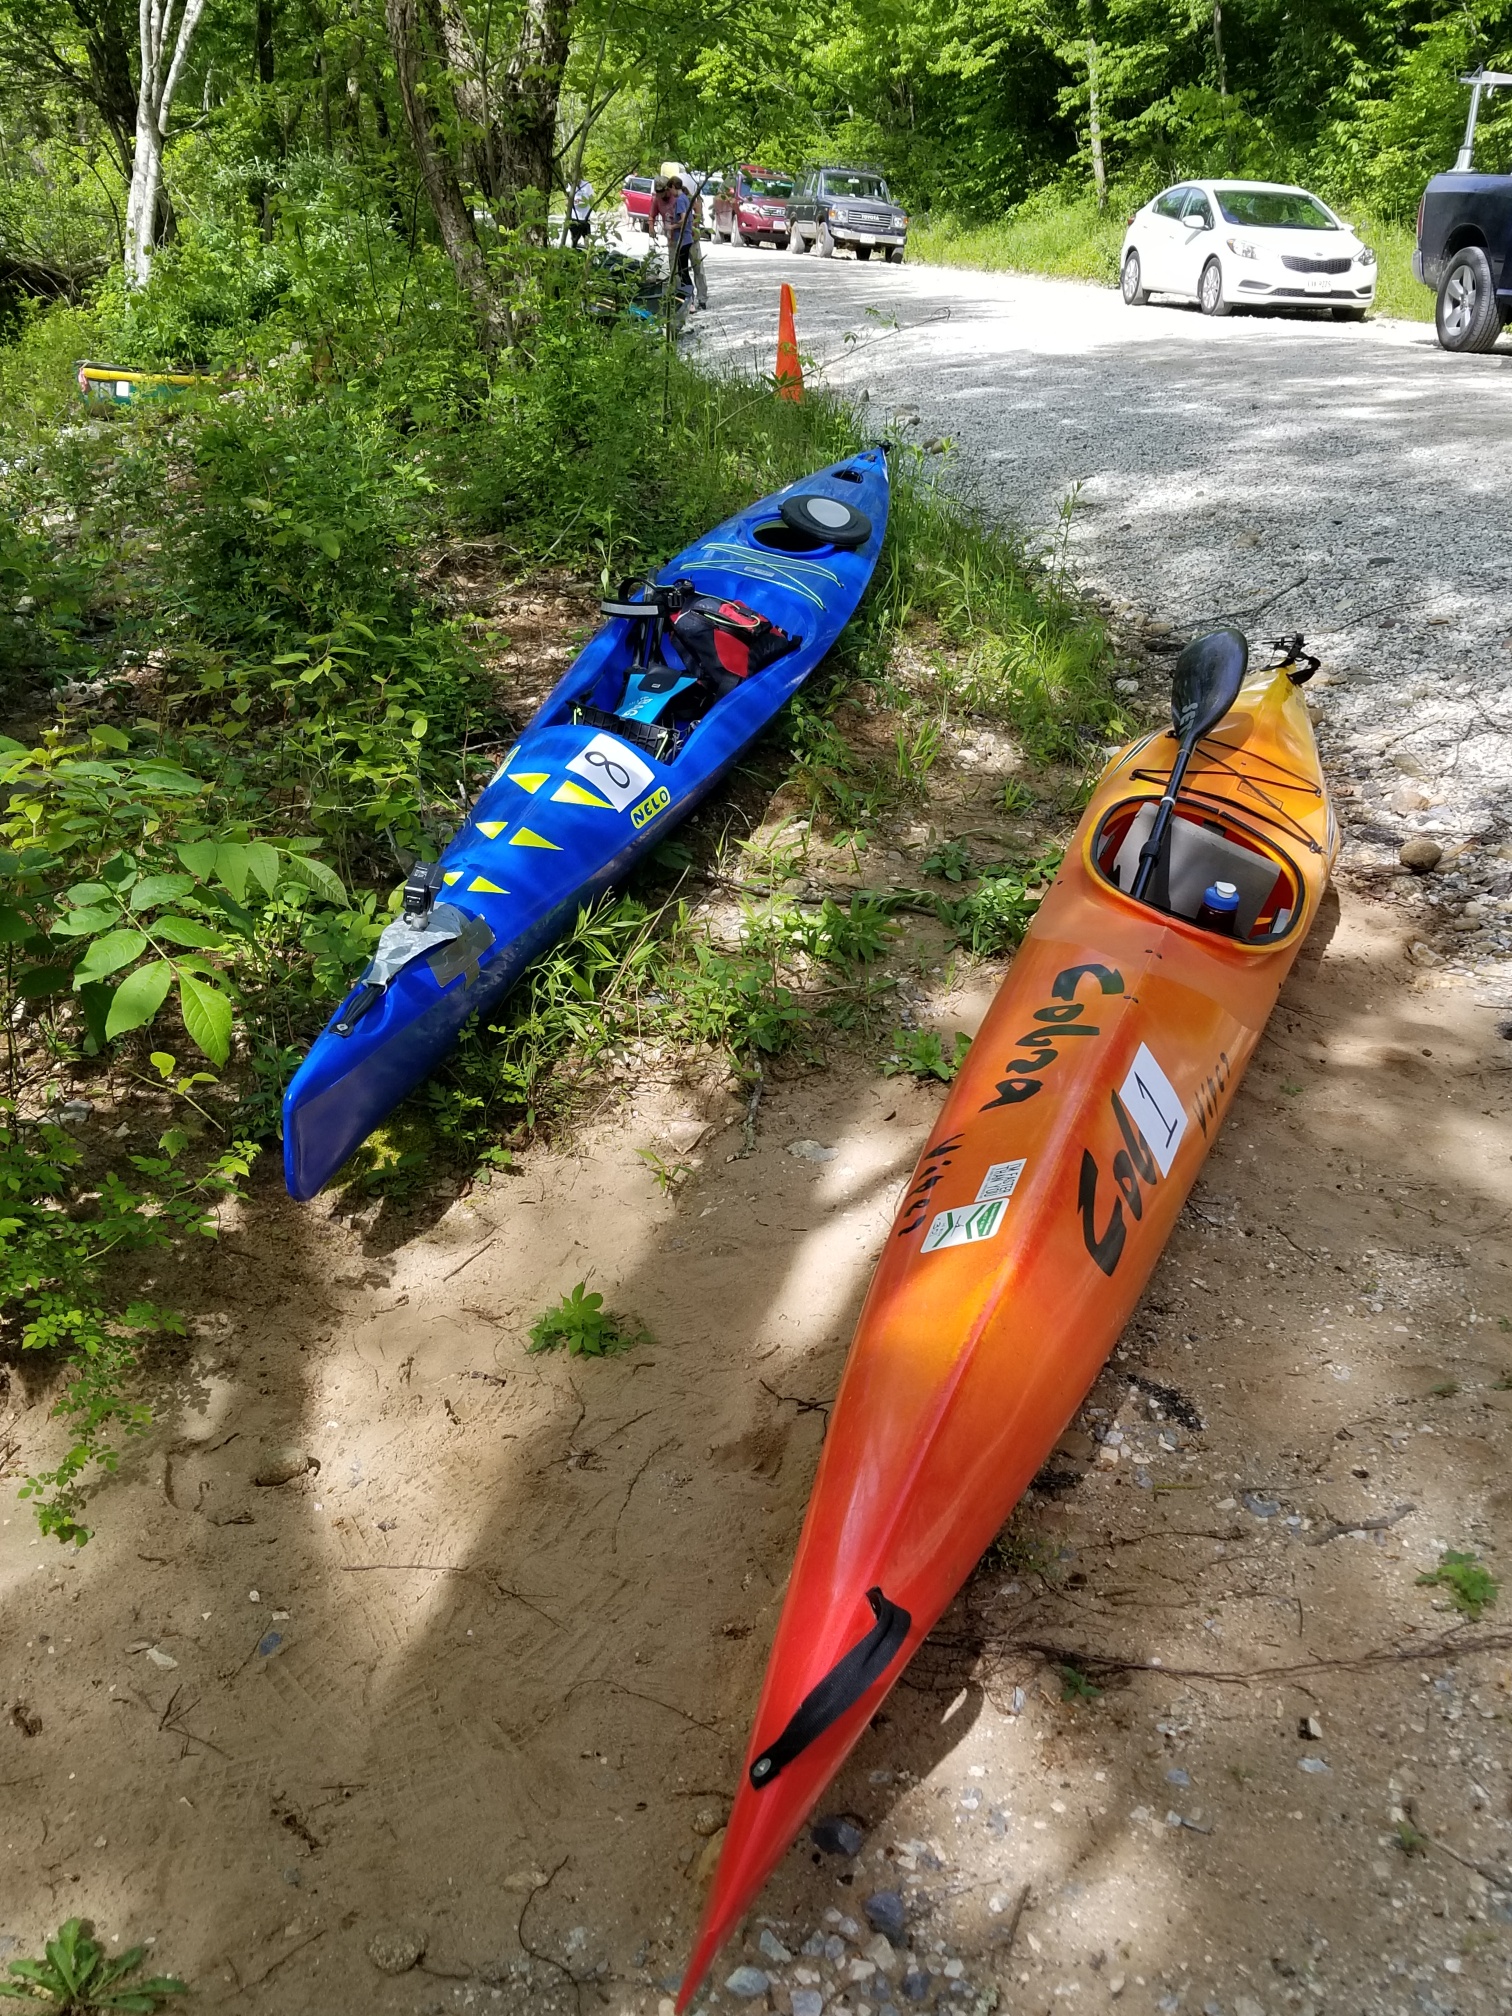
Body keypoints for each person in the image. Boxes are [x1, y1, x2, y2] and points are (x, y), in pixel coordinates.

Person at [568, 175, 593, 247]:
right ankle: (573, 253)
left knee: (587, 239)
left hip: (585, 217)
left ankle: (588, 255)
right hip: (574, 217)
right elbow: (567, 201)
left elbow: (591, 199)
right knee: (574, 239)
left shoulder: (587, 185)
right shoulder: (570, 186)